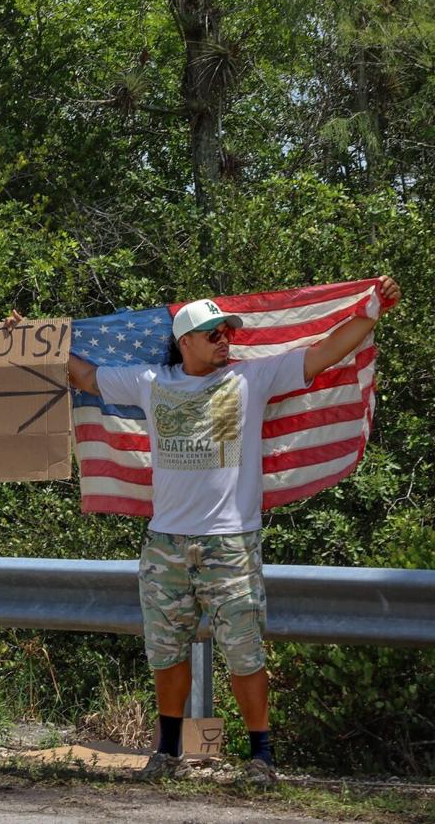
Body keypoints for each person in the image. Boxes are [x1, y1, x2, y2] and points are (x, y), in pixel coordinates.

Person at [44, 276, 401, 786]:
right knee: (166, 654)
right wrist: (35, 342)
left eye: (226, 332)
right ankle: (167, 752)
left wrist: (370, 310)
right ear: (184, 340)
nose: (224, 339)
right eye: (212, 333)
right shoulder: (150, 382)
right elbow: (86, 378)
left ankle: (263, 759)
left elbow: (322, 354)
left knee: (245, 653)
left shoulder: (250, 379)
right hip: (166, 542)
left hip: (230, 543)